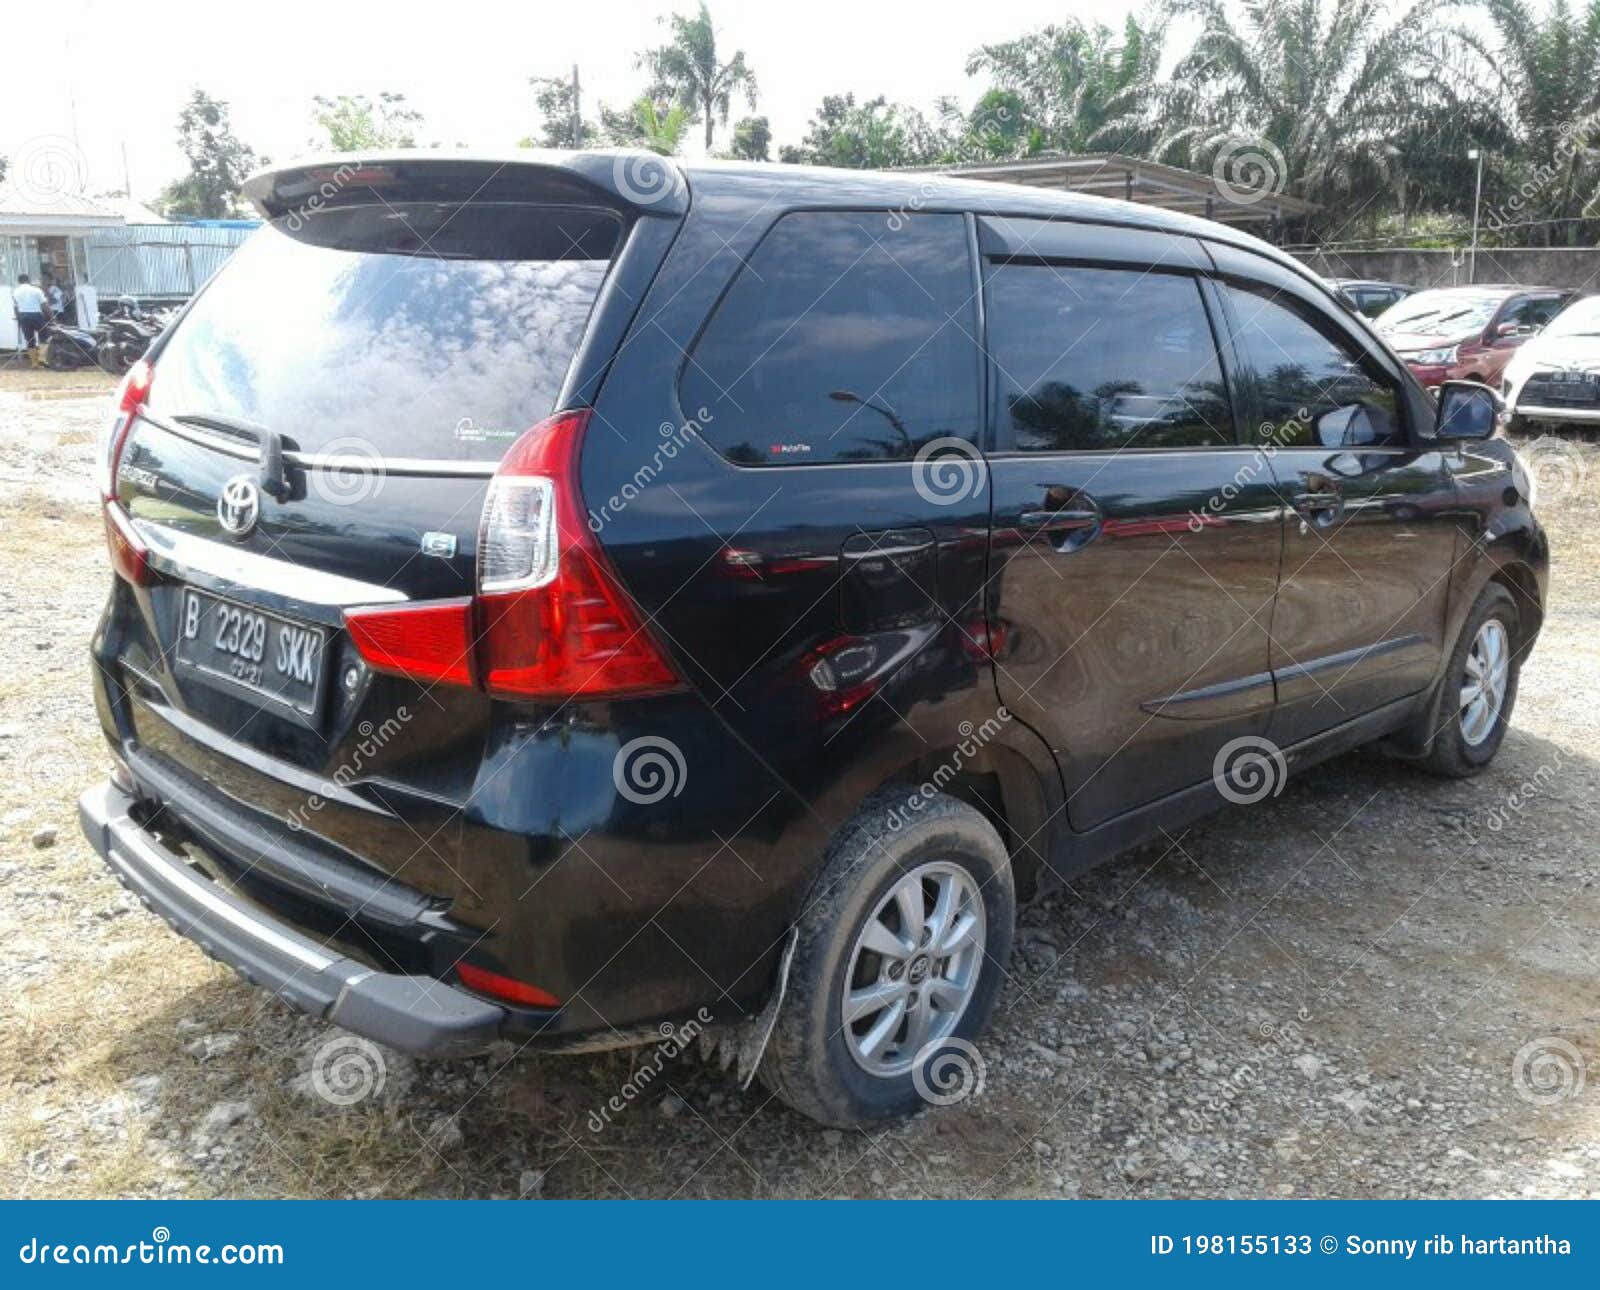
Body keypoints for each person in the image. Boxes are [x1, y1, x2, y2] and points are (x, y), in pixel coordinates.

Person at [12, 275, 48, 356]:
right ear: (28, 280)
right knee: (44, 335)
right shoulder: (36, 290)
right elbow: (44, 304)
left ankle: (34, 363)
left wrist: (18, 318)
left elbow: (15, 307)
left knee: (29, 339)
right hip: (36, 315)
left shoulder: (15, 291)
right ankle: (42, 358)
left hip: (23, 316)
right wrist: (52, 316)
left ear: (19, 281)